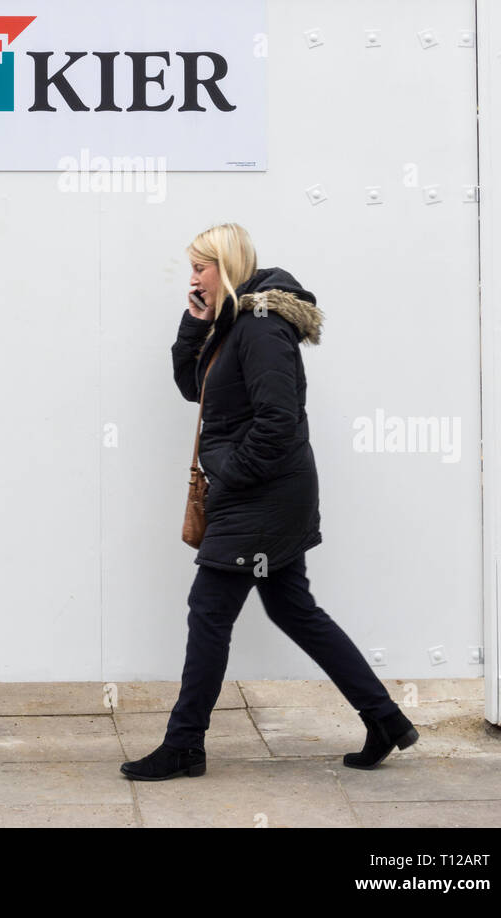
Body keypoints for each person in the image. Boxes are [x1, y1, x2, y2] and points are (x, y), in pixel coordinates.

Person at [121, 221, 419, 782]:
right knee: (292, 608)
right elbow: (194, 388)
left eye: (200, 267)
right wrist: (195, 322)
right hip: (264, 492)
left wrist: (229, 475)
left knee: (209, 610)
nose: (193, 277)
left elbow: (278, 420)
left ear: (226, 265)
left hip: (263, 494)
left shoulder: (259, 327)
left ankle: (185, 744)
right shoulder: (233, 322)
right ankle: (387, 719)